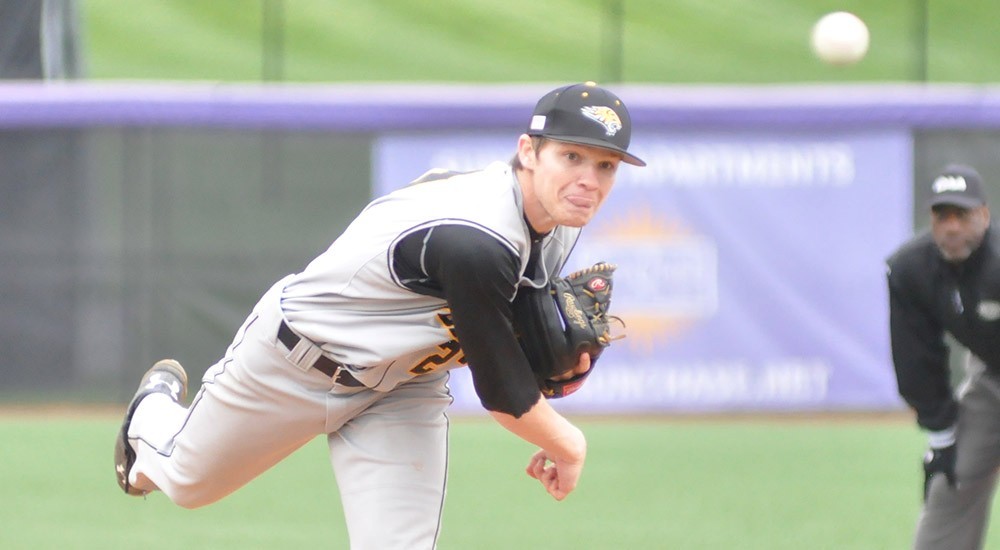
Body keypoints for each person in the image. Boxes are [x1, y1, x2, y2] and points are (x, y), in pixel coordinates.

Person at [113, 82, 645, 549]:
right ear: (528, 152)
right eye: (571, 157)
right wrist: (568, 445)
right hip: (297, 361)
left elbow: (499, 333)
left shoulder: (559, 221)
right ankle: (151, 415)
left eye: (605, 166)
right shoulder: (477, 238)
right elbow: (503, 395)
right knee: (187, 482)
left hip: (403, 384)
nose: (588, 180)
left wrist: (547, 354)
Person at [886, 163, 1000, 549]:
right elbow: (915, 355)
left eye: (962, 215)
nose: (952, 227)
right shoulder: (911, 269)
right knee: (954, 476)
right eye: (942, 215)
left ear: (984, 215)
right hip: (993, 378)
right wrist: (941, 435)